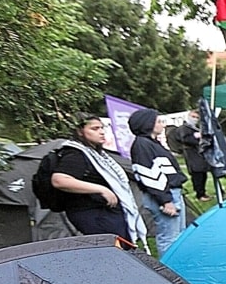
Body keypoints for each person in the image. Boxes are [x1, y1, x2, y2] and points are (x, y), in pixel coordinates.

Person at [50, 114, 146, 245]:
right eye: (94, 129)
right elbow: (59, 180)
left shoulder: (97, 153)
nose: (101, 132)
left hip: (106, 212)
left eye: (102, 128)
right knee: (112, 251)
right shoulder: (75, 153)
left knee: (121, 249)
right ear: (80, 131)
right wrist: (101, 189)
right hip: (93, 213)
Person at [128, 108, 187, 255]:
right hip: (164, 197)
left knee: (179, 236)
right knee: (169, 238)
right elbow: (149, 176)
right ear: (148, 124)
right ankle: (169, 271)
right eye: (158, 121)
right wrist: (165, 200)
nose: (163, 124)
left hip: (172, 193)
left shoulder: (151, 143)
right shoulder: (142, 145)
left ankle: (179, 266)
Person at [175, 109, 226, 201]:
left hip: (203, 155)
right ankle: (200, 194)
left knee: (210, 172)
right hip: (193, 155)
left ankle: (223, 189)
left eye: (197, 117)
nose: (195, 119)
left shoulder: (198, 127)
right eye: (193, 117)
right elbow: (185, 139)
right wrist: (197, 137)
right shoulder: (183, 128)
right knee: (198, 175)